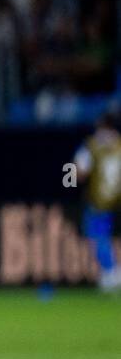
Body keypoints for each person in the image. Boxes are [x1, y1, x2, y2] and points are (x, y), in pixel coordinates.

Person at [73, 108, 121, 291]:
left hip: (99, 200)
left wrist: (68, 178)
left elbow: (78, 172)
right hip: (117, 198)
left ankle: (110, 273)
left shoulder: (92, 145)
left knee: (98, 236)